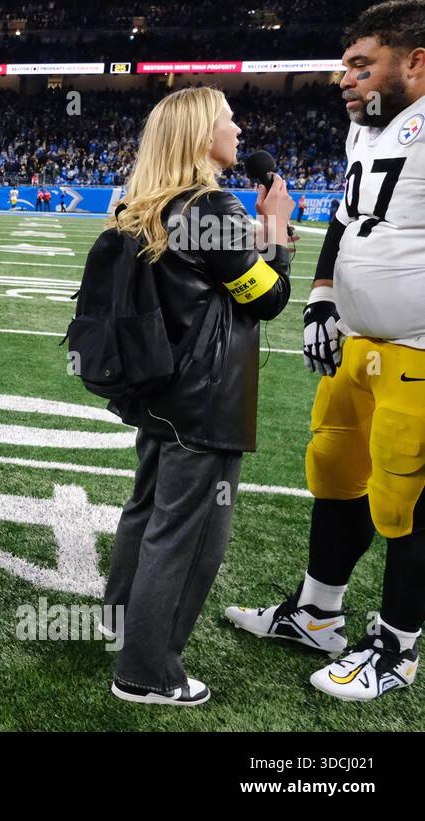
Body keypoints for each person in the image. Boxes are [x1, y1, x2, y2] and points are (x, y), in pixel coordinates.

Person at [226, 1, 425, 702]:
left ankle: (398, 649)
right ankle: (317, 615)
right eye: (346, 65)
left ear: (416, 61)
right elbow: (345, 219)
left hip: (419, 350)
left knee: (407, 491)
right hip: (360, 342)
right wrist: (320, 296)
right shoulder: (366, 128)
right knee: (334, 467)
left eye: (362, 64)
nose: (346, 78)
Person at [101, 87, 293, 705]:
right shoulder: (210, 207)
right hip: (205, 397)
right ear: (199, 133)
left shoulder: (146, 201)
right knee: (187, 536)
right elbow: (267, 298)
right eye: (228, 119)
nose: (238, 130)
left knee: (147, 512)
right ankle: (147, 671)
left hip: (158, 392)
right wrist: (278, 229)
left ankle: (119, 625)